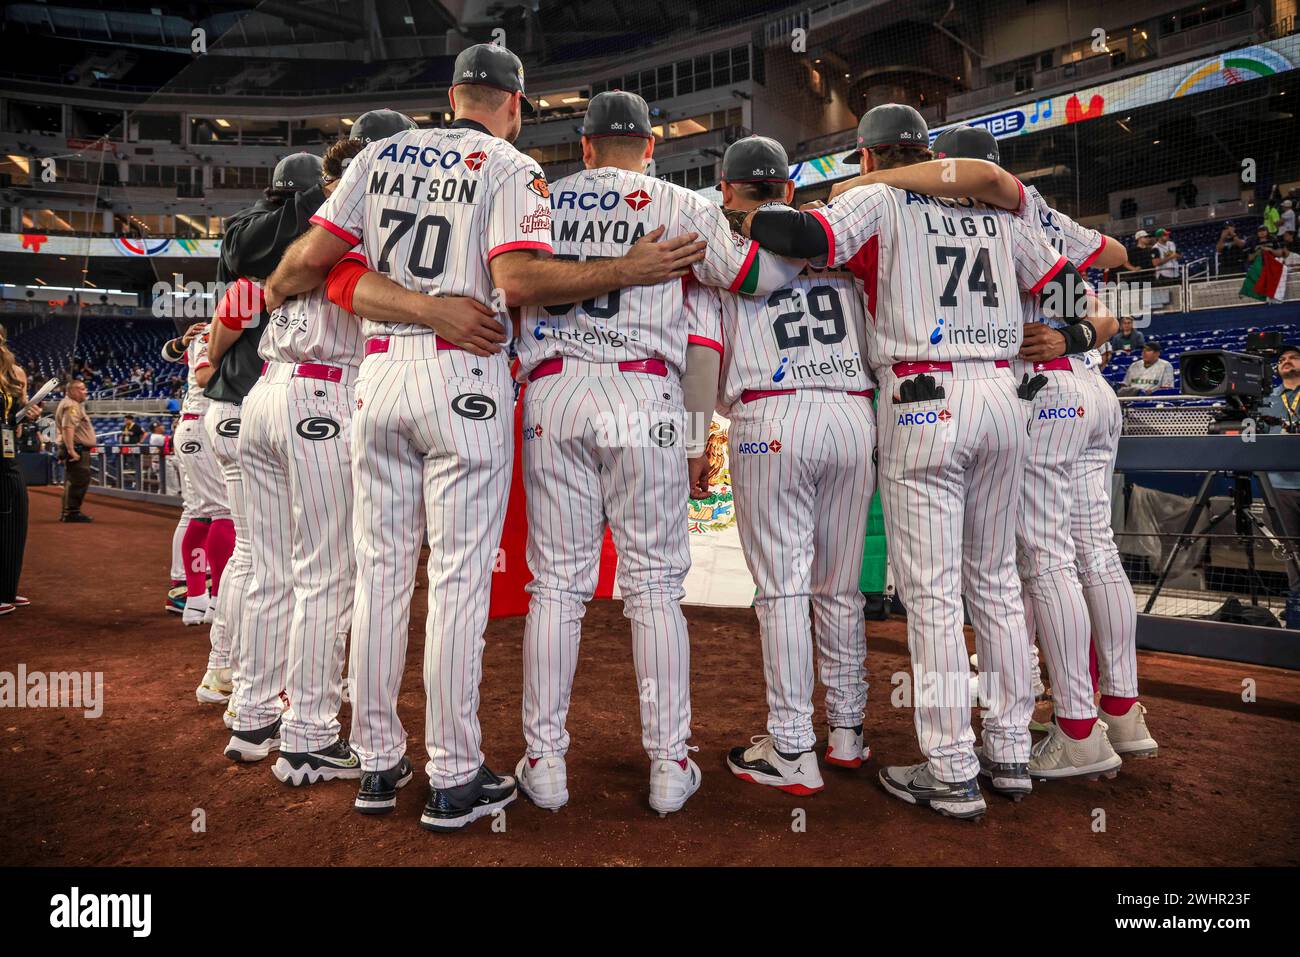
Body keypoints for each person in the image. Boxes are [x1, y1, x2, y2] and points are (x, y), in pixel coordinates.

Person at [264, 44, 707, 831]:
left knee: (379, 577)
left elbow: (307, 266)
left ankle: (375, 761)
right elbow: (520, 283)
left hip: (381, 375)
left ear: (454, 93)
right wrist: (627, 268)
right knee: (460, 584)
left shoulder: (377, 153)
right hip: (465, 375)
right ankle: (453, 773)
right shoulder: (509, 165)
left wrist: (311, 287)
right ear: (515, 102)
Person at [739, 104, 1105, 821]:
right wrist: (1055, 334)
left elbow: (797, 232)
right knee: (996, 583)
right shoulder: (996, 216)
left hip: (923, 396)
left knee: (935, 594)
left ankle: (951, 768)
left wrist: (748, 213)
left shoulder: (878, 196)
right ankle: (1007, 751)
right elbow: (1065, 287)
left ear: (869, 157)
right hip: (1002, 396)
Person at [501, 99, 802, 815]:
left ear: (585, 145)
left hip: (556, 391)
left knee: (558, 587)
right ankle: (669, 765)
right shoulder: (681, 204)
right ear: (651, 145)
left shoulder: (542, 198)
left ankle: (545, 763)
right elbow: (757, 279)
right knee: (656, 588)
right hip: (649, 397)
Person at [233, 113, 416, 788]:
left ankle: (252, 715)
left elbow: (261, 280)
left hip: (266, 393)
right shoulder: (368, 209)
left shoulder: (313, 211)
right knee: (328, 574)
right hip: (321, 392)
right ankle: (308, 735)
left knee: (270, 569)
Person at [693, 135, 875, 795]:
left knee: (783, 592)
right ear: (789, 193)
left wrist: (693, 437)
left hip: (772, 416)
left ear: (727, 190)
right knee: (840, 588)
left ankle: (794, 744)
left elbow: (703, 355)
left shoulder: (722, 253)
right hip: (853, 414)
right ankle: (849, 733)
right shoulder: (838, 247)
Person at [161, 322, 234, 626]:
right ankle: (217, 599)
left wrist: (182, 340)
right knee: (222, 510)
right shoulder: (218, 329)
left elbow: (168, 353)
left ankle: (194, 599)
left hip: (193, 424)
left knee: (200, 512)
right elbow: (204, 377)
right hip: (203, 425)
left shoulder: (211, 330)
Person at [1261, 343, 1300, 629]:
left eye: (1294, 358)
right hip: (1280, 485)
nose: (1286, 362)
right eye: (1282, 359)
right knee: (1292, 549)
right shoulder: (1268, 399)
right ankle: (1298, 601)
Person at [0, 327, 33, 615]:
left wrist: (25, 406)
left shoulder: (10, 374)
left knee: (15, 517)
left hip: (7, 451)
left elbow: (12, 416)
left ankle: (7, 588)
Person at [54, 378, 95, 523]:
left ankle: (68, 511)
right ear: (72, 391)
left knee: (73, 480)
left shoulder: (69, 404)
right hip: (76, 448)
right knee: (79, 479)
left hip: (73, 446)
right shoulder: (72, 405)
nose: (85, 391)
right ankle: (72, 512)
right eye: (82, 389)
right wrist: (71, 450)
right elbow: (68, 427)